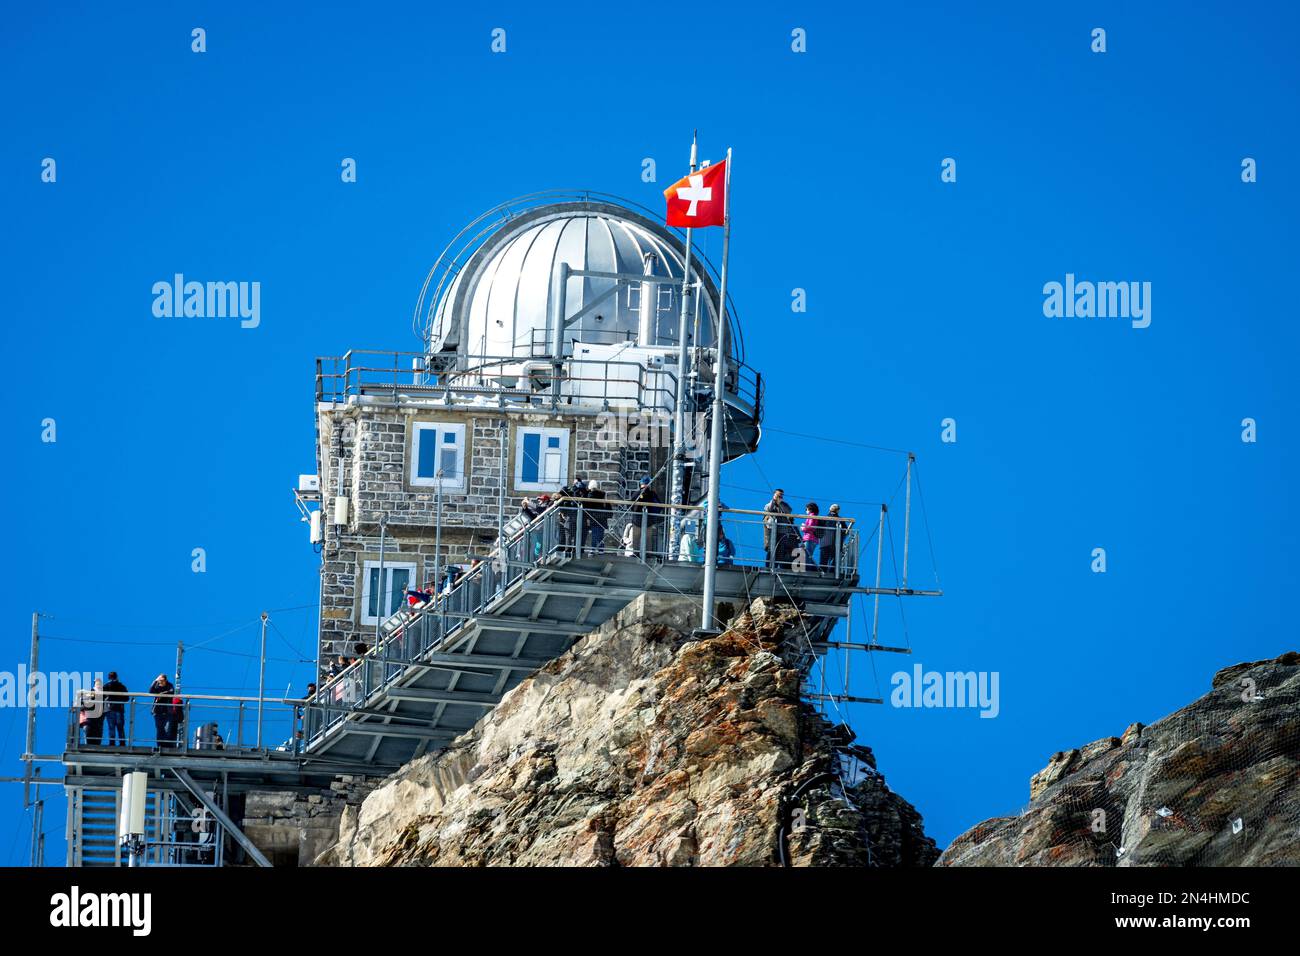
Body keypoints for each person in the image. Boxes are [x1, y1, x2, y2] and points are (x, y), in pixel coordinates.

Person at [629, 476, 662, 557]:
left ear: (641, 484)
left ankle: (635, 553)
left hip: (637, 519)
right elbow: (660, 505)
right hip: (649, 520)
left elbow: (630, 506)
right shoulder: (652, 494)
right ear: (649, 484)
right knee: (648, 538)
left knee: (636, 537)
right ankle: (648, 554)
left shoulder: (637, 493)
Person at [763, 489, 795, 569]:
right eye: (778, 495)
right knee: (771, 549)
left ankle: (777, 567)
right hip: (772, 530)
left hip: (782, 531)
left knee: (780, 550)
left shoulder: (784, 505)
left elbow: (789, 511)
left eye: (781, 495)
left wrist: (780, 502)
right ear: (774, 495)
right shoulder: (769, 504)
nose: (780, 497)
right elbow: (768, 509)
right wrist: (774, 500)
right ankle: (768, 567)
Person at [148, 673, 175, 748]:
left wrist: (161, 694)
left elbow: (172, 691)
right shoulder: (157, 685)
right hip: (157, 711)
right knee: (159, 728)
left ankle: (166, 745)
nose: (160, 682)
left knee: (167, 729)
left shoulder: (169, 685)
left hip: (167, 711)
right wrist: (155, 681)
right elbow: (150, 691)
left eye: (162, 680)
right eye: (159, 680)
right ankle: (160, 745)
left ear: (165, 680)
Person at [102, 671, 127, 747]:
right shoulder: (121, 686)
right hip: (119, 708)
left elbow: (101, 697)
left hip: (110, 709)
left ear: (109, 678)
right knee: (120, 727)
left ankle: (112, 743)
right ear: (117, 677)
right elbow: (127, 698)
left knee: (111, 727)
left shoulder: (106, 686)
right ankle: (122, 743)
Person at [584, 479, 608, 551]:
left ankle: (593, 549)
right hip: (602, 516)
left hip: (593, 516)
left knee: (594, 534)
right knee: (601, 535)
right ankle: (601, 550)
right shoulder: (602, 494)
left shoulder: (589, 495)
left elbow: (588, 506)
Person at [800, 502, 822, 571]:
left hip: (810, 538)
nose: (805, 510)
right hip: (812, 538)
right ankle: (814, 569)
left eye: (806, 509)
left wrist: (803, 527)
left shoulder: (812, 516)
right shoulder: (813, 516)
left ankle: (807, 570)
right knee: (808, 555)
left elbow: (811, 527)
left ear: (809, 509)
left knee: (807, 555)